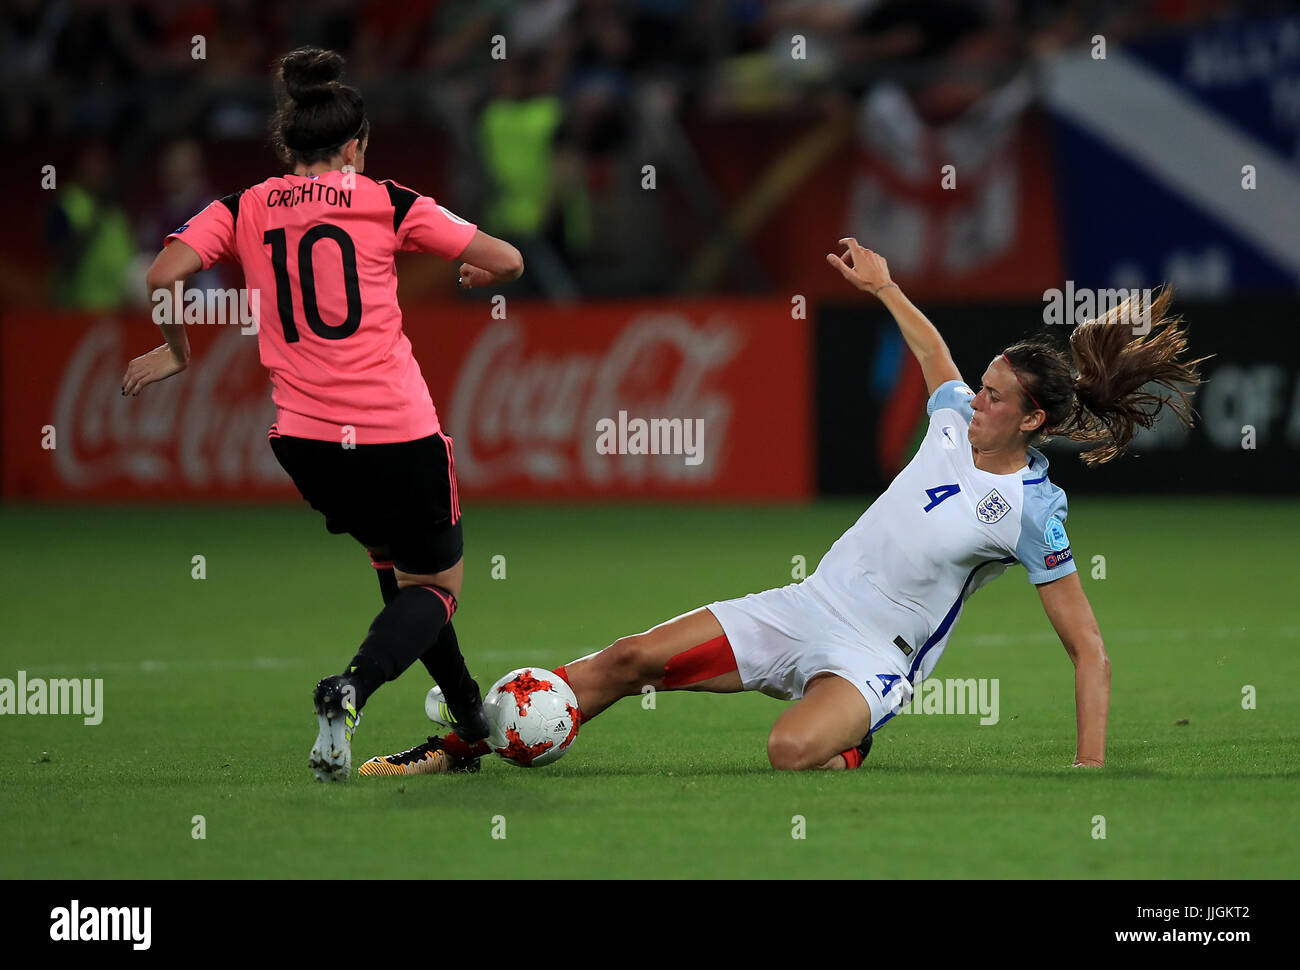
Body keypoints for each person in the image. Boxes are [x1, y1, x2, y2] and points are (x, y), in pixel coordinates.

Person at [363, 239, 1205, 777]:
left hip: (874, 657)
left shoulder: (1031, 509)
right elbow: (934, 352)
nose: (970, 399)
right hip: (804, 606)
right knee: (627, 660)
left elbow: (1086, 646)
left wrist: (1090, 764)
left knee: (790, 751)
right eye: (978, 387)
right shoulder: (952, 421)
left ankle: (856, 733)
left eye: (992, 397)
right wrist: (884, 285)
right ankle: (469, 741)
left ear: (1033, 420)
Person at [119, 47, 524, 782]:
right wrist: (479, 271)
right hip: (398, 432)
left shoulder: (243, 205)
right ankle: (351, 690)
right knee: (435, 589)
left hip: (305, 442)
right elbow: (510, 259)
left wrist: (175, 352)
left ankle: (467, 716)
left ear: (287, 147)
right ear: (356, 145)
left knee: (396, 572)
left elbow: (163, 273)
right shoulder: (388, 200)